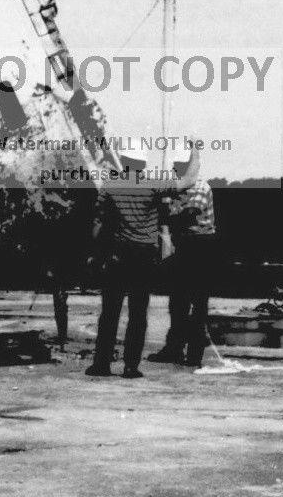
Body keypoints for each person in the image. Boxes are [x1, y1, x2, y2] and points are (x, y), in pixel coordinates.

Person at [85, 143, 201, 380]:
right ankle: (130, 366)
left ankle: (102, 364)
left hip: (117, 255)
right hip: (143, 256)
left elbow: (99, 224)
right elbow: (189, 180)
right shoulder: (152, 184)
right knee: (138, 313)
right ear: (143, 164)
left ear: (123, 161)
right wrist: (195, 151)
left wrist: (97, 253)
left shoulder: (110, 185)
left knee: (109, 312)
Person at [147, 148, 218, 367]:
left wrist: (163, 213)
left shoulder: (199, 186)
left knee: (197, 303)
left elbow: (188, 215)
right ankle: (174, 348)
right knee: (177, 301)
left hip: (200, 247)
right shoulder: (177, 187)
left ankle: (194, 354)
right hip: (184, 246)